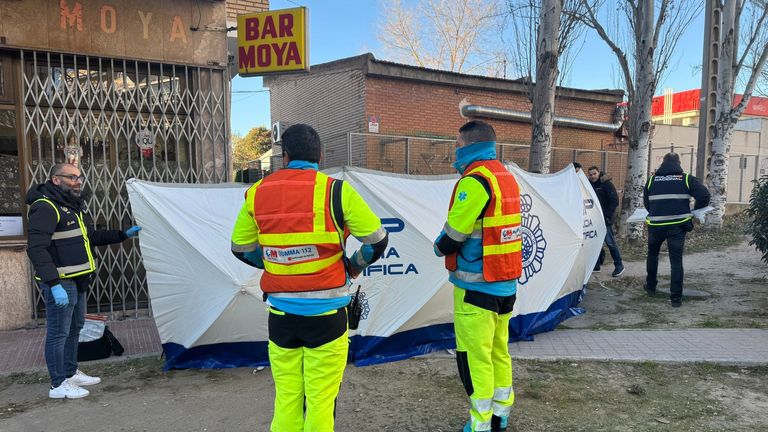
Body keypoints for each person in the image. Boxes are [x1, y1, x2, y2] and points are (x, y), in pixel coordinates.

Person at [230, 124, 388, 432]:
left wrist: (276, 265)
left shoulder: (257, 192)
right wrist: (352, 267)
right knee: (320, 402)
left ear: (284, 156)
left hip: (281, 316)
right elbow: (377, 242)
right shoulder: (336, 191)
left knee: (287, 398)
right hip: (327, 318)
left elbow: (240, 249)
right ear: (320, 155)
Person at [433, 120, 521, 432]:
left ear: (469, 147)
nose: (454, 153)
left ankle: (480, 424)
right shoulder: (506, 177)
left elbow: (453, 235)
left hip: (475, 288)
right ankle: (500, 415)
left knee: (474, 358)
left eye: (456, 147)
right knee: (499, 351)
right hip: (505, 285)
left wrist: (438, 247)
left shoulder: (475, 181)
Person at [26, 163, 141, 399]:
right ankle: (58, 384)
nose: (78, 181)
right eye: (72, 177)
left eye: (79, 177)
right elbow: (37, 249)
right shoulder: (45, 207)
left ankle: (70, 372)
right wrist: (53, 284)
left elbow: (89, 237)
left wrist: (122, 234)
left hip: (78, 280)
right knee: (58, 333)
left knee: (74, 328)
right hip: (61, 282)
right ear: (56, 180)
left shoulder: (72, 206)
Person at [643, 152, 710, 307]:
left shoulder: (651, 180)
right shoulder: (686, 179)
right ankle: (676, 299)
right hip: (677, 227)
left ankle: (651, 286)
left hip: (656, 226)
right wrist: (695, 211)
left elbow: (647, 204)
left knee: (652, 255)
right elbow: (704, 195)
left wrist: (657, 212)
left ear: (662, 164)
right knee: (676, 262)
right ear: (678, 163)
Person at [587, 166, 624, 277]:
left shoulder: (606, 184)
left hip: (606, 219)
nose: (592, 176)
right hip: (594, 219)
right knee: (595, 242)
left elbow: (614, 201)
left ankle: (619, 265)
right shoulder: (589, 185)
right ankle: (596, 265)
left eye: (594, 174)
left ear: (598, 173)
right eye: (590, 174)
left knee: (610, 242)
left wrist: (607, 215)